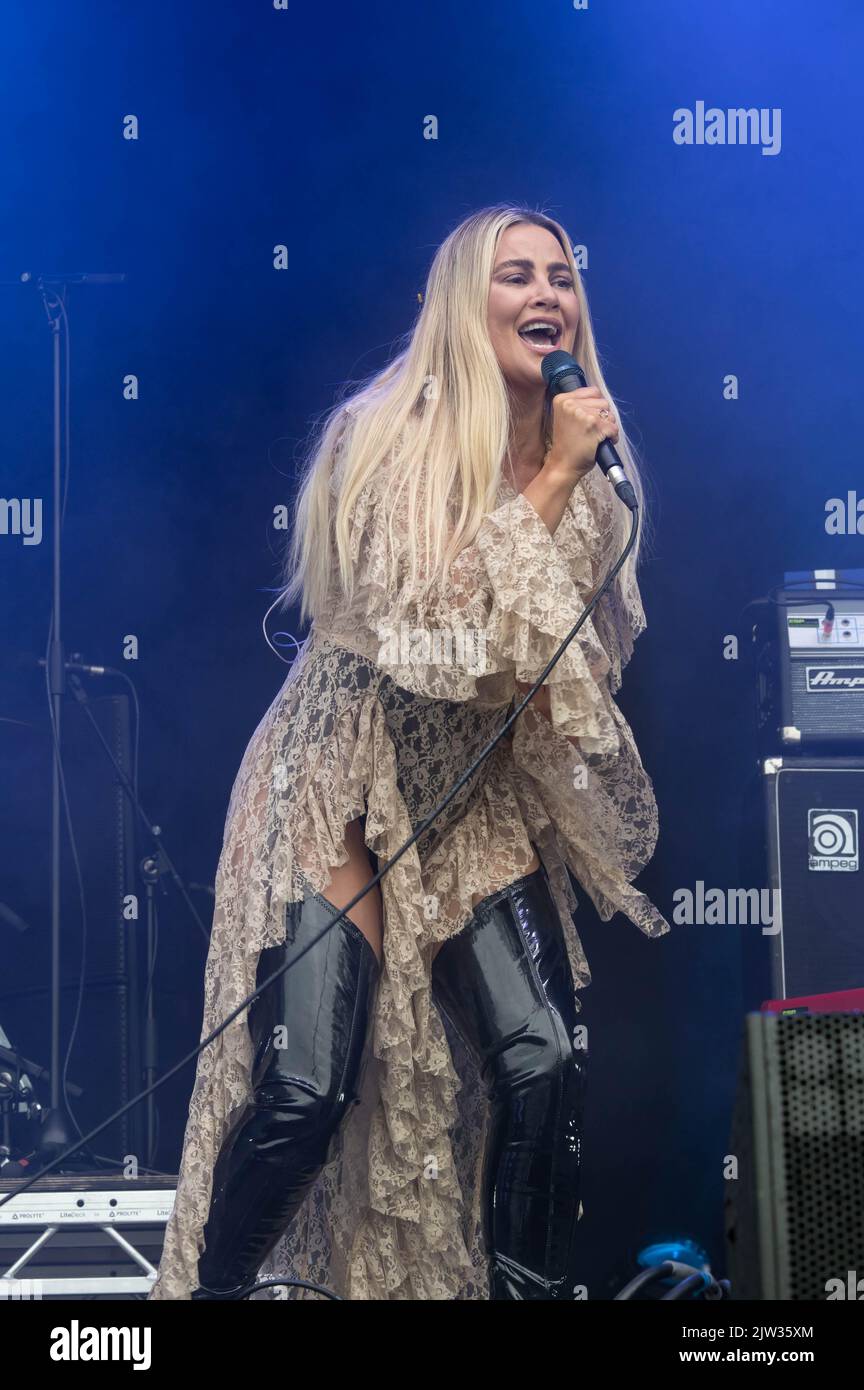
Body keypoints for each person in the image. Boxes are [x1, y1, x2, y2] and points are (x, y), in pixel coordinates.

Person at [147, 203, 670, 1303]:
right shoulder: (383, 437)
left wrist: (569, 478)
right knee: (306, 1087)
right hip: (340, 764)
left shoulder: (584, 462)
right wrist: (555, 479)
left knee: (545, 1058)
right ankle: (213, 1299)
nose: (546, 296)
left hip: (466, 787)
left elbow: (559, 664)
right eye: (516, 276)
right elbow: (429, 633)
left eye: (562, 277)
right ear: (460, 303)